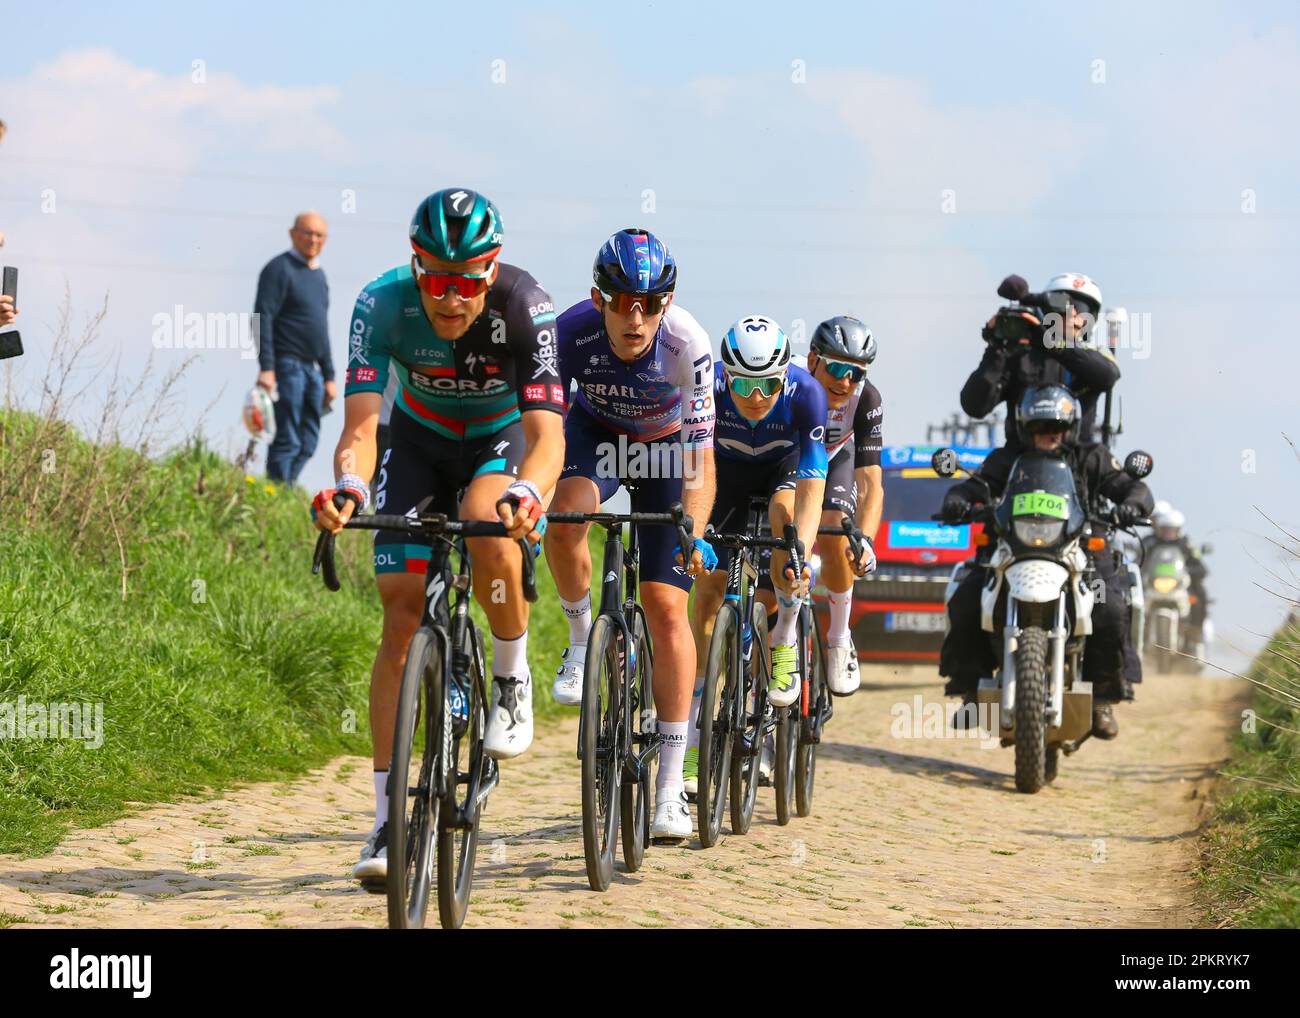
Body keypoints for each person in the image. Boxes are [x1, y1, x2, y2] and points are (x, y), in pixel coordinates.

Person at [312, 188, 565, 883]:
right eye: (435, 278)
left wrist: (528, 491)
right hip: (418, 437)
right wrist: (349, 487)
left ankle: (511, 674)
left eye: (467, 280)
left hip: (497, 439)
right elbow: (361, 428)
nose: (451, 298)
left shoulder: (526, 306)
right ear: (414, 266)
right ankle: (387, 822)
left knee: (489, 523)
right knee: (399, 608)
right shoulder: (380, 303)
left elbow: (549, 438)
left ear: (492, 270)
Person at [544, 227, 716, 842]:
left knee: (667, 608)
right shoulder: (567, 333)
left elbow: (701, 456)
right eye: (620, 301)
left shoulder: (688, 344)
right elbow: (540, 424)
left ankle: (671, 787)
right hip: (598, 438)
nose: (635, 317)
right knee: (564, 517)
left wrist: (691, 529)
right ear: (599, 298)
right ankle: (580, 638)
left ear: (666, 302)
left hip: (668, 453)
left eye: (649, 303)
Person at [938, 384, 1153, 739]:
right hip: (1011, 549)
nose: (1048, 434)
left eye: (1056, 427)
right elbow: (973, 486)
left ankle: (1101, 698)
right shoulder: (1005, 460)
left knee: (1111, 605)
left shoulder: (1091, 456)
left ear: (1070, 428)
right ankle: (970, 691)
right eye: (1039, 427)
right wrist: (958, 499)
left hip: (1079, 551)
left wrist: (1133, 504)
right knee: (966, 599)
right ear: (1025, 426)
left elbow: (1131, 486)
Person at [683, 316, 827, 792]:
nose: (757, 395)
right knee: (707, 588)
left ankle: (784, 634)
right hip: (723, 476)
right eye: (744, 382)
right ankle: (699, 709)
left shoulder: (806, 395)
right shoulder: (710, 388)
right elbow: (694, 468)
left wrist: (798, 553)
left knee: (786, 536)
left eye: (768, 384)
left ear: (783, 377)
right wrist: (697, 534)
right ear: (726, 374)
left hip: (781, 474)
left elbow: (812, 480)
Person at [799, 316, 882, 694]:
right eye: (835, 367)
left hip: (837, 461)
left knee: (836, 530)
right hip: (794, 460)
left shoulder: (866, 399)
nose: (844, 381)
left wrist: (865, 539)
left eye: (856, 373)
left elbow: (871, 484)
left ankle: (838, 636)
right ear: (813, 358)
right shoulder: (792, 385)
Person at [961, 273, 1119, 450]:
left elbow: (1108, 377)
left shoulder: (1093, 354)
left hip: (1078, 463)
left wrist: (1054, 344)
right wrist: (995, 349)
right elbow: (974, 407)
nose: (1073, 314)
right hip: (1020, 460)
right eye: (1064, 306)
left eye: (1082, 309)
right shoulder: (1019, 354)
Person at [254, 211, 336, 484]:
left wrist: (329, 376)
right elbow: (260, 318)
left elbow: (321, 328)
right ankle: (276, 494)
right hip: (286, 365)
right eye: (307, 232)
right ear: (293, 234)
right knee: (286, 437)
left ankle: (284, 490)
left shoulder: (319, 276)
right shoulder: (278, 269)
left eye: (319, 235)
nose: (313, 239)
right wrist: (267, 368)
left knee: (308, 441)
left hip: (312, 371)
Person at [1143, 505, 1211, 650]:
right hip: (1153, 584)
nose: (1169, 533)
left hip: (1179, 585)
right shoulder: (1150, 543)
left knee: (1198, 598)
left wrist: (1188, 571)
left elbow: (1201, 567)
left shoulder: (1185, 545)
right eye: (1165, 529)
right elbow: (1139, 561)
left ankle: (1193, 635)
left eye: (1172, 530)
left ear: (1178, 529)